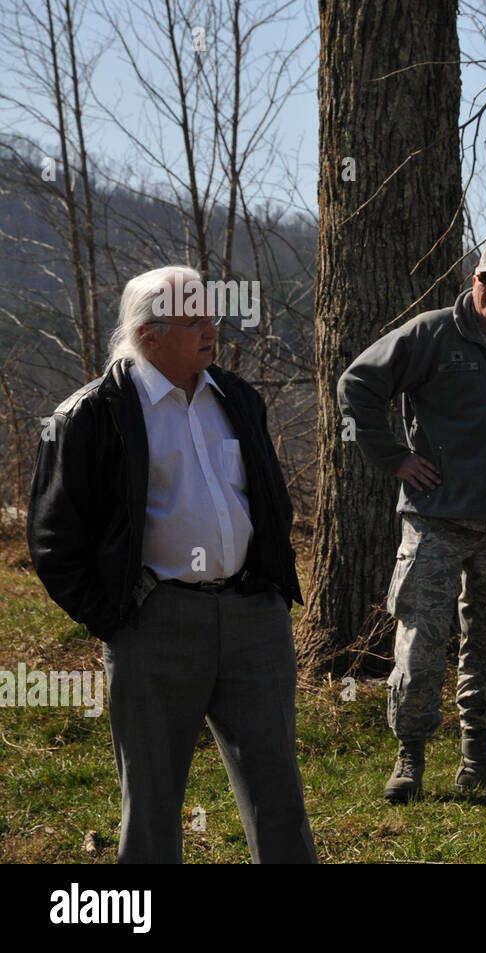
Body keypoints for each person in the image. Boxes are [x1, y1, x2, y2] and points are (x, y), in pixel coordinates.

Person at [28, 265, 317, 863]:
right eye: (195, 321)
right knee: (154, 800)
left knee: (278, 791)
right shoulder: (90, 414)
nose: (212, 331)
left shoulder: (236, 397)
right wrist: (117, 617)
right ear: (148, 333)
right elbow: (54, 538)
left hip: (254, 618)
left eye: (213, 317)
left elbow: (267, 499)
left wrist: (268, 583)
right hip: (155, 624)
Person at [338, 242, 486, 802]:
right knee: (421, 639)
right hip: (434, 517)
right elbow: (356, 385)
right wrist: (395, 457)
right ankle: (410, 756)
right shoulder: (432, 333)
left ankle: (478, 756)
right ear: (474, 280)